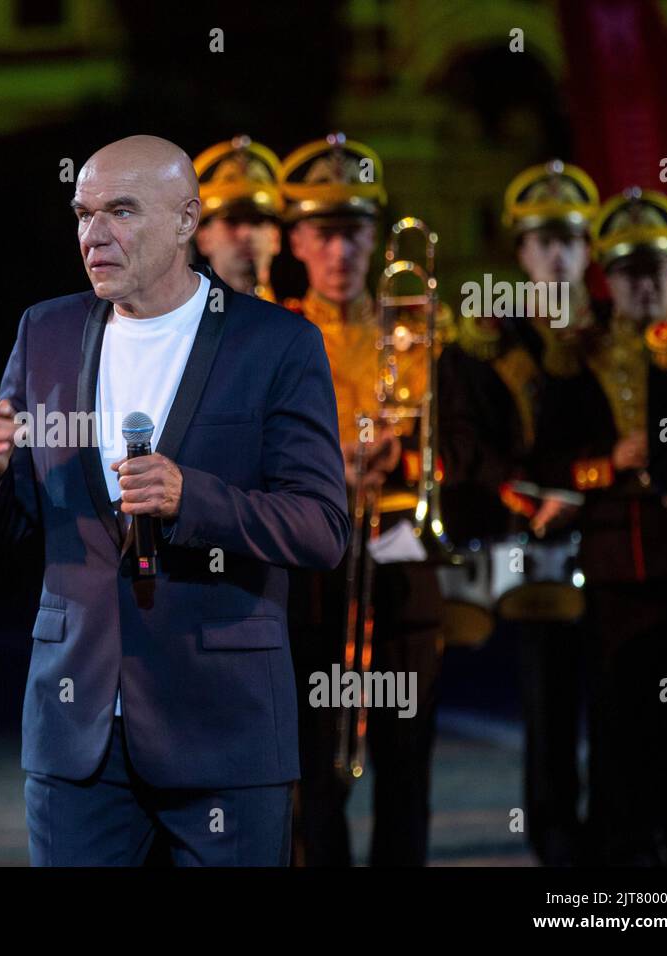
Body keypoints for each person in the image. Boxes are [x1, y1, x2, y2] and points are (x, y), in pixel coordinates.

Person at [0, 134, 348, 866]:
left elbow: (323, 528)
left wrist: (193, 498)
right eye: (83, 213)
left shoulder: (277, 343)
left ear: (186, 220)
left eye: (122, 211)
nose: (93, 235)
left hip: (224, 734)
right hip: (77, 736)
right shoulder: (46, 331)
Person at [278, 131, 443, 866]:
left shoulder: (419, 335)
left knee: (405, 763)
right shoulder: (275, 333)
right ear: (298, 240)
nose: (342, 252)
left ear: (377, 238)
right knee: (319, 767)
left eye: (356, 234)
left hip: (400, 575)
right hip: (316, 579)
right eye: (325, 233)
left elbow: (462, 448)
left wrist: (405, 455)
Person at [535, 187, 667, 864]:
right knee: (617, 719)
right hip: (615, 559)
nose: (643, 284)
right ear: (607, 274)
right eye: (629, 271)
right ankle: (623, 854)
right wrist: (605, 464)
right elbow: (550, 457)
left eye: (656, 269)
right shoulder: (580, 353)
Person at [437, 159, 602, 865]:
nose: (557, 254)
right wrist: (521, 488)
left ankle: (633, 827)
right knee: (549, 696)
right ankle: (556, 833)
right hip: (537, 538)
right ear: (521, 253)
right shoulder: (495, 341)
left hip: (618, 534)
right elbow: (462, 436)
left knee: (635, 694)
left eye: (569, 239)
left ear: (590, 248)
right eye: (541, 242)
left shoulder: (619, 333)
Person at [191, 135, 284, 300]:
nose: (246, 233)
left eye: (258, 222)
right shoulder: (185, 324)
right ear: (203, 239)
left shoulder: (300, 323)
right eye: (232, 222)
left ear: (276, 237)